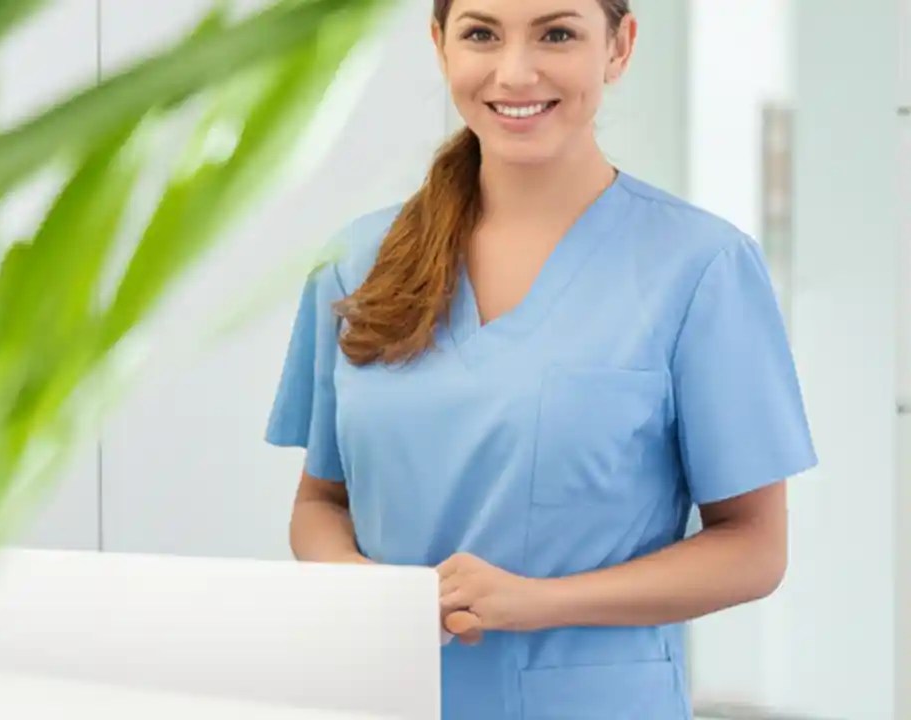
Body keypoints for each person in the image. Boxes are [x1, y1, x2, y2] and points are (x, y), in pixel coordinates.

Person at [264, 0, 818, 717]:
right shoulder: (355, 263)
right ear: (440, 47)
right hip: (380, 695)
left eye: (557, 33)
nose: (515, 71)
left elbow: (753, 548)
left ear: (618, 48)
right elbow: (320, 502)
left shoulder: (701, 268)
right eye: (481, 34)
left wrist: (538, 602)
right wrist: (370, 593)